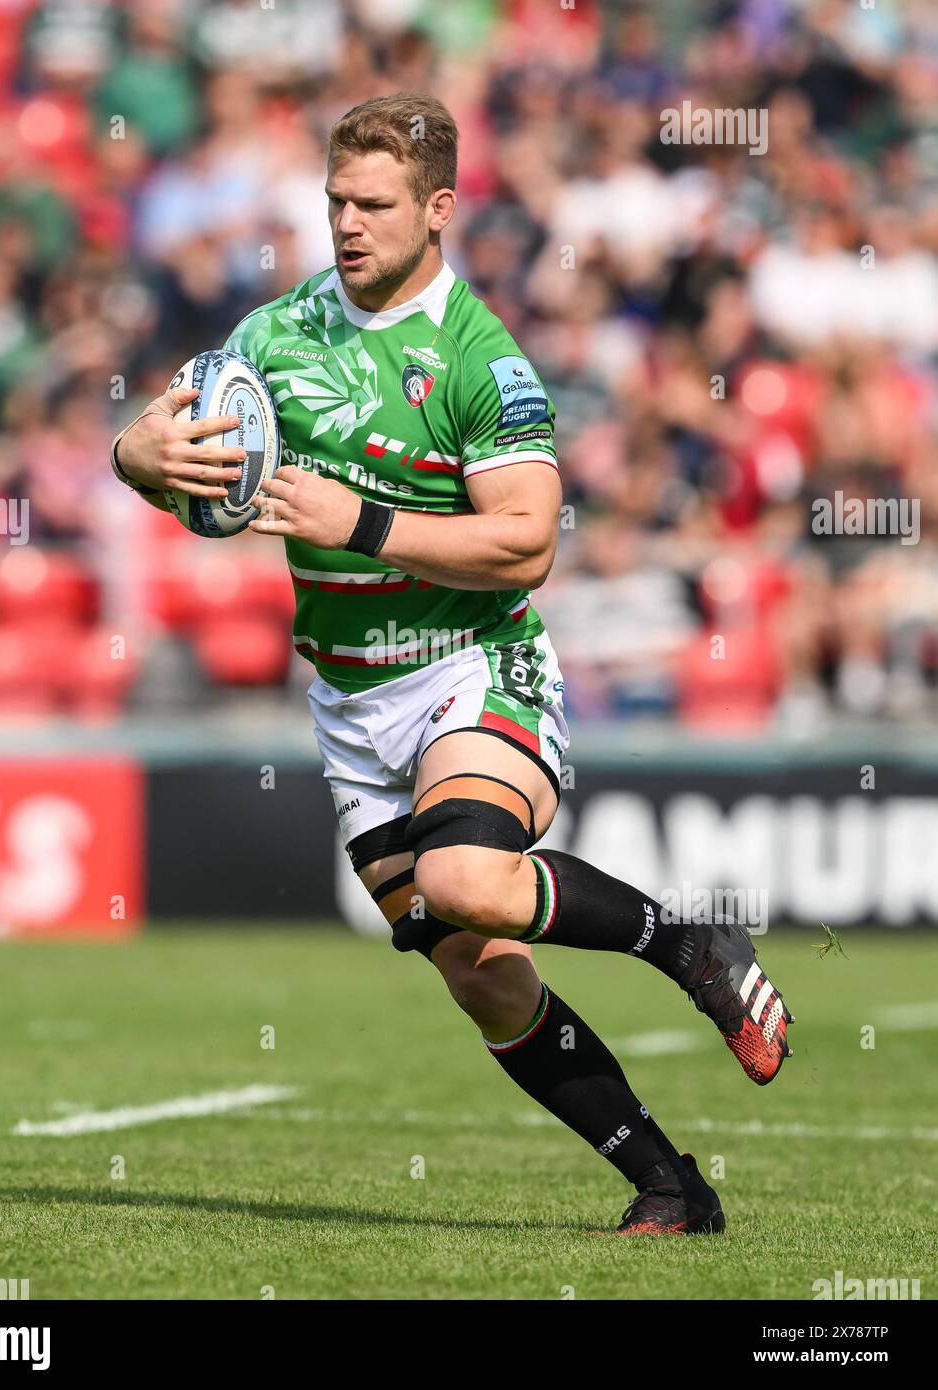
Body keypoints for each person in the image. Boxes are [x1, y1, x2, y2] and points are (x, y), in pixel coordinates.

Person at [110, 92, 794, 1235]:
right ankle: (669, 1182)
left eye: (372, 204)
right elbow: (163, 439)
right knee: (480, 970)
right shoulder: (273, 339)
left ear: (437, 209)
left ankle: (688, 943)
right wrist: (136, 452)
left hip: (472, 665)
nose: (346, 223)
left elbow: (524, 542)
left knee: (469, 880)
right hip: (348, 697)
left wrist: (359, 522)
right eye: (334, 200)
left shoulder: (483, 360)